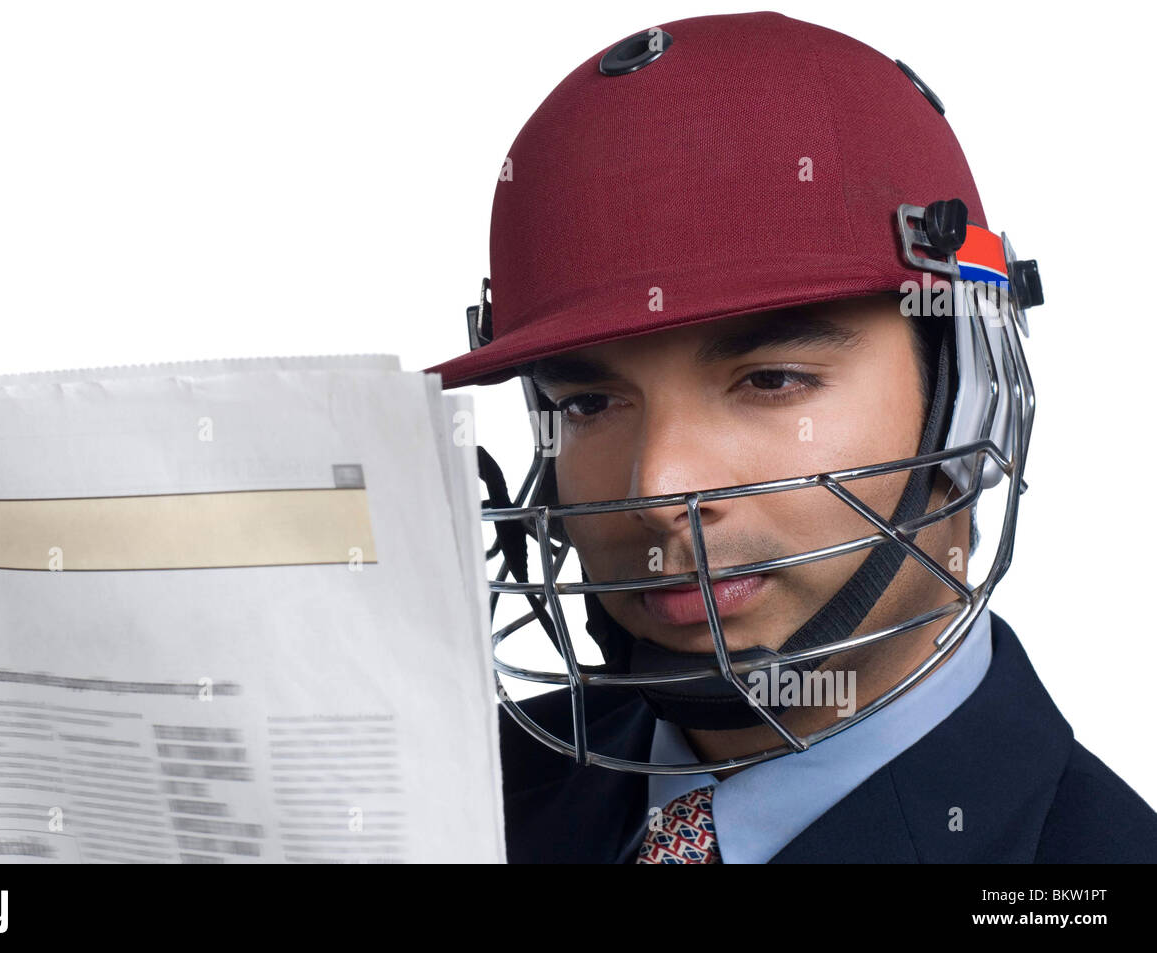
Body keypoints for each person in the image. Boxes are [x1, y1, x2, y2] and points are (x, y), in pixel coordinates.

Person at [424, 12, 1157, 863]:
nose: (661, 489)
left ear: (973, 400)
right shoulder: (444, 801)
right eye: (589, 403)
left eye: (771, 381)